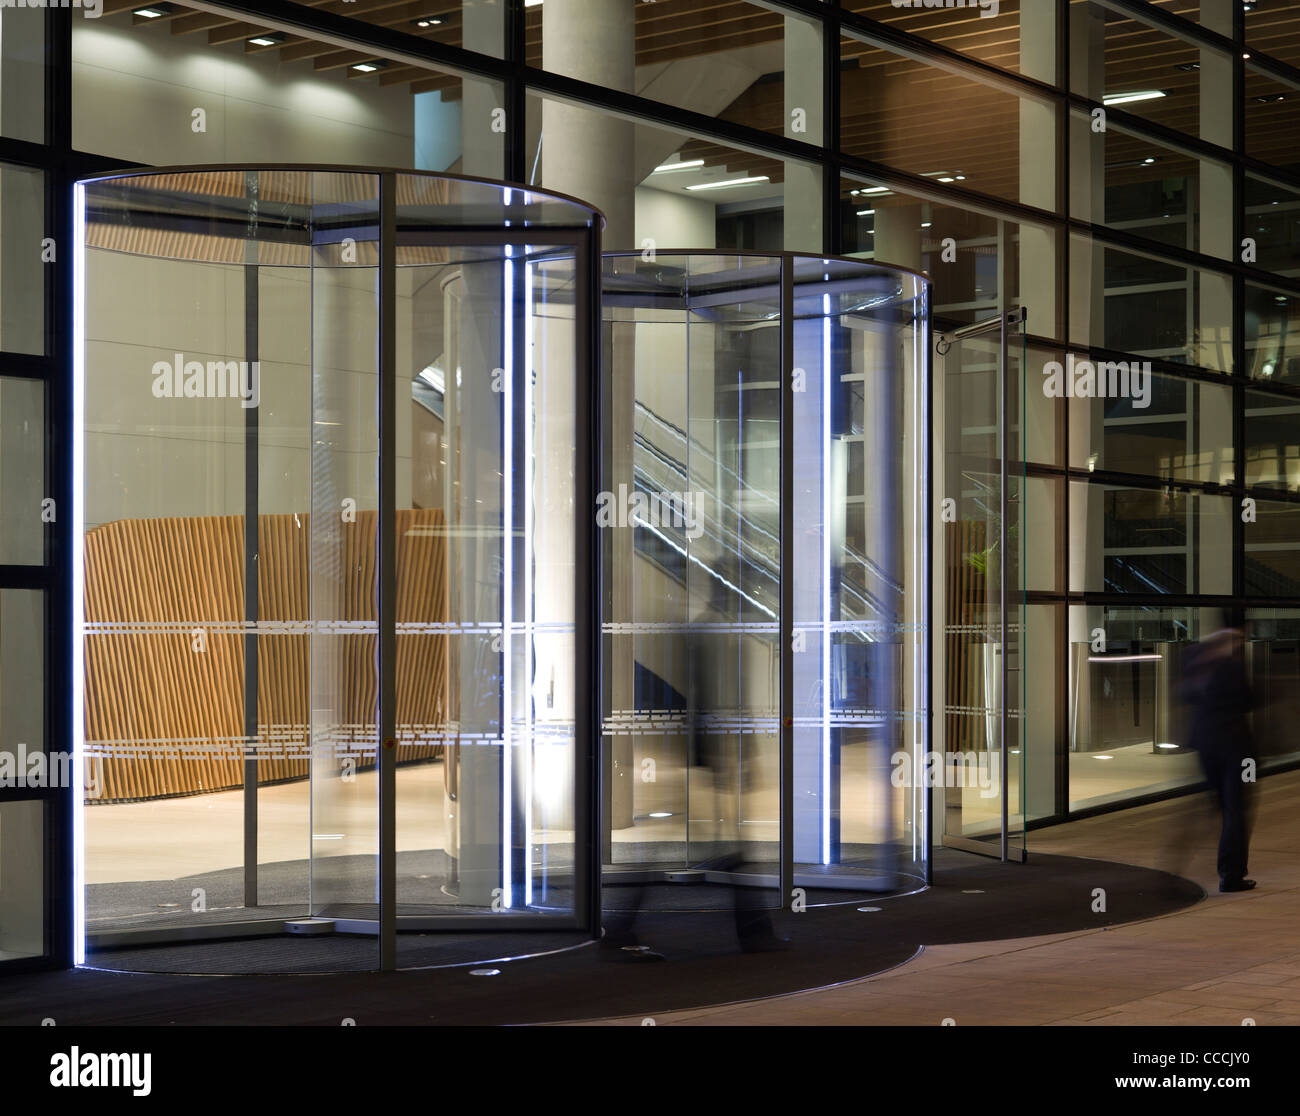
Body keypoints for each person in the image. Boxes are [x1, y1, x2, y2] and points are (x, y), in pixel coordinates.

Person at [1178, 626, 1257, 893]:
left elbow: (1185, 695)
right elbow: (1248, 700)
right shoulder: (1231, 667)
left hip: (1205, 745)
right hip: (1239, 751)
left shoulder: (1194, 661)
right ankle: (1231, 874)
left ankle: (1183, 864)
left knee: (1218, 806)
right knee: (1237, 810)